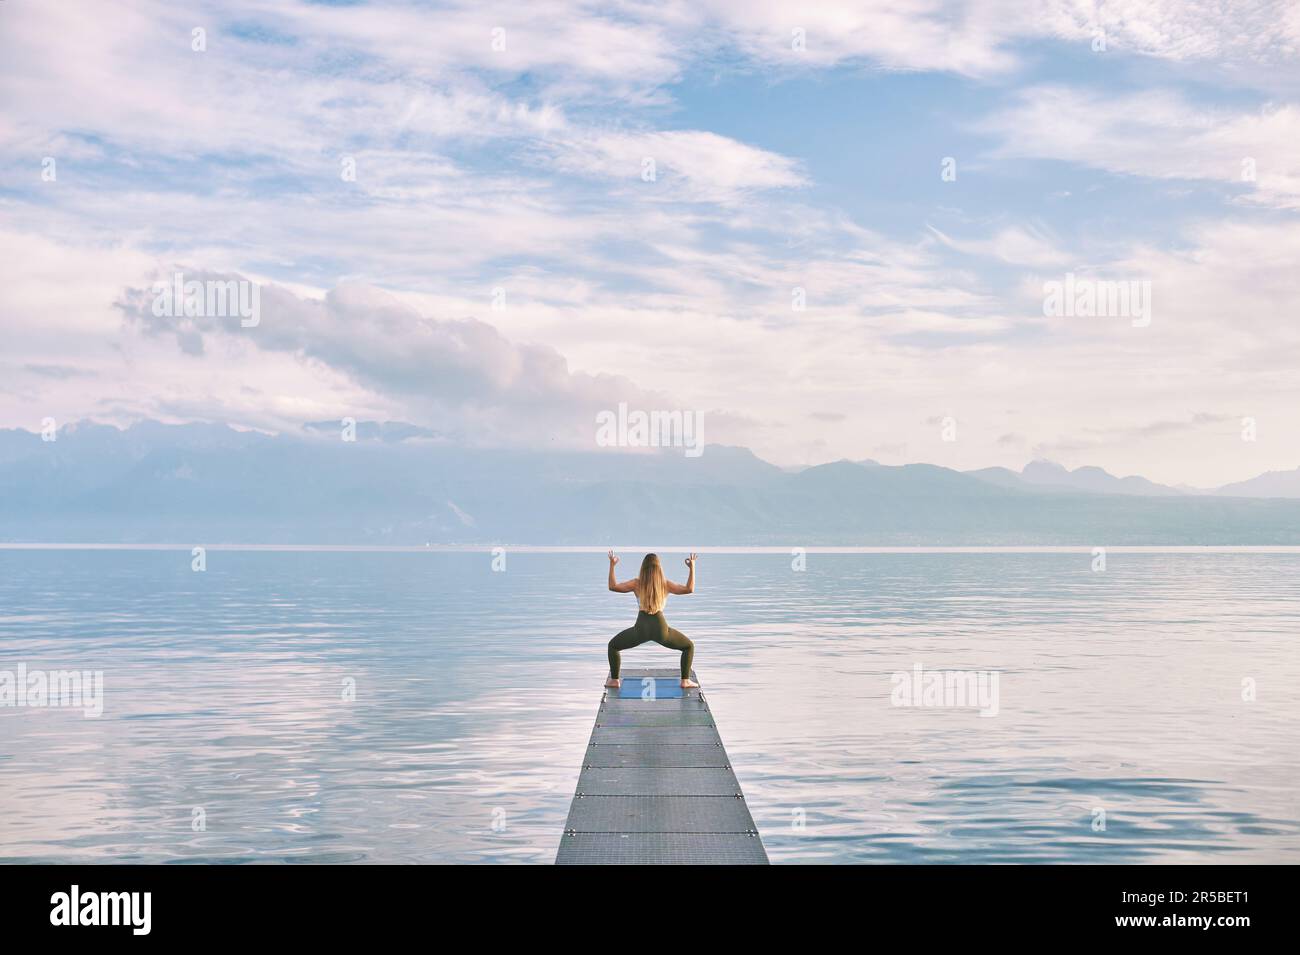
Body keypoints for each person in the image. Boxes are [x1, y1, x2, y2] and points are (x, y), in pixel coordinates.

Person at [605, 550, 699, 689]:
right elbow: (689, 589)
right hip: (660, 628)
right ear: (659, 568)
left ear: (643, 568)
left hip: (641, 628)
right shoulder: (665, 584)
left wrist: (612, 565)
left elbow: (613, 587)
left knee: (613, 646)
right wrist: (692, 567)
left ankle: (614, 681)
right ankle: (685, 681)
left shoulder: (636, 584)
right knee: (688, 646)